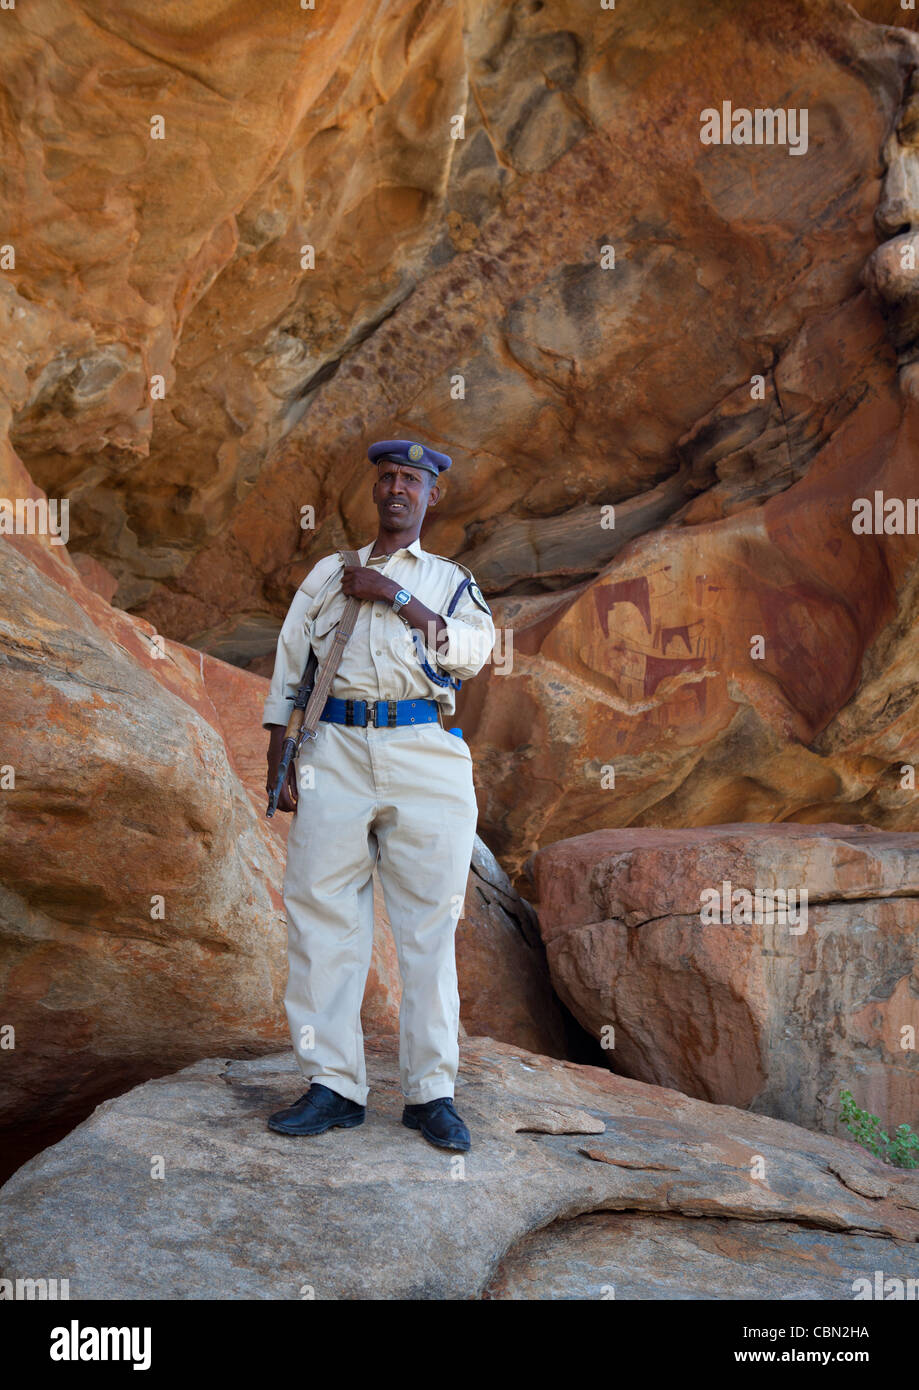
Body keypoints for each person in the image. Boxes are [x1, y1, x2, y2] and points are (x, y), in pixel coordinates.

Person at [262, 439, 495, 1151]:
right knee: (320, 912)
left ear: (432, 497)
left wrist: (394, 596)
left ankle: (431, 1094)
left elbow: (471, 651)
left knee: (428, 925)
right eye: (388, 478)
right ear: (375, 491)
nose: (397, 489)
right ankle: (333, 1085)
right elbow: (290, 655)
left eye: (411, 481)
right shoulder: (330, 572)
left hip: (422, 748)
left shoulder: (450, 580)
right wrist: (280, 741)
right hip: (333, 745)